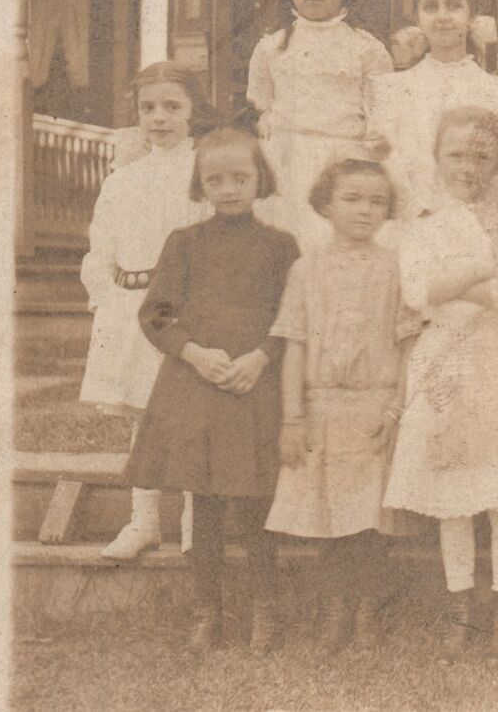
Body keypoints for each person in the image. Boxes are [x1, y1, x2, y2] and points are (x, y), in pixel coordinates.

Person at [383, 107, 498, 664]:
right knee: (454, 494)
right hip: (448, 360)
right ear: (437, 159)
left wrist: (470, 288)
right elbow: (417, 290)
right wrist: (476, 282)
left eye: (483, 156)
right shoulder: (426, 223)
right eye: (457, 154)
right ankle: (460, 608)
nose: (469, 166)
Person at [122, 126, 301, 655]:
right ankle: (207, 612)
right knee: (205, 510)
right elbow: (155, 314)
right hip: (197, 390)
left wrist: (262, 356)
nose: (228, 188)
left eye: (240, 177)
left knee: (255, 509)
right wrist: (194, 354)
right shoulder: (184, 243)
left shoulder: (280, 245)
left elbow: (293, 316)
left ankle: (264, 613)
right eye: (215, 179)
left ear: (260, 179)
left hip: (253, 389)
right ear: (200, 185)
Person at [264, 155, 420, 653]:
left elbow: (407, 346)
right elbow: (295, 345)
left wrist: (397, 409)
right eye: (351, 199)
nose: (364, 211)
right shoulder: (306, 269)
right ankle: (336, 611)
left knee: (370, 521)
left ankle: (368, 614)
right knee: (328, 518)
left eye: (377, 202)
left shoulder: (398, 268)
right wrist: (292, 418)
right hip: (321, 408)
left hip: (374, 408)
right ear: (326, 205)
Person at [80, 63, 213, 560]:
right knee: (144, 416)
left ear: (193, 112)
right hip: (131, 306)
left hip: (181, 311)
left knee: (192, 415)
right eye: (148, 108)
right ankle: (144, 521)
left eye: (172, 107)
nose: (159, 118)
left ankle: (198, 526)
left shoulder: (202, 173)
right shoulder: (122, 180)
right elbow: (101, 248)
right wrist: (106, 295)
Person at [246, 0, 393, 251]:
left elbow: (382, 119)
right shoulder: (271, 47)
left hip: (343, 168)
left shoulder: (367, 48)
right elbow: (259, 111)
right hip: (284, 164)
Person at [369, 0, 498, 222]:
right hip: (411, 222)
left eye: (454, 5)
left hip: (476, 220)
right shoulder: (393, 90)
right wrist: (418, 212)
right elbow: (386, 160)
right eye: (431, 7)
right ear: (417, 17)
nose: (442, 16)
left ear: (471, 17)